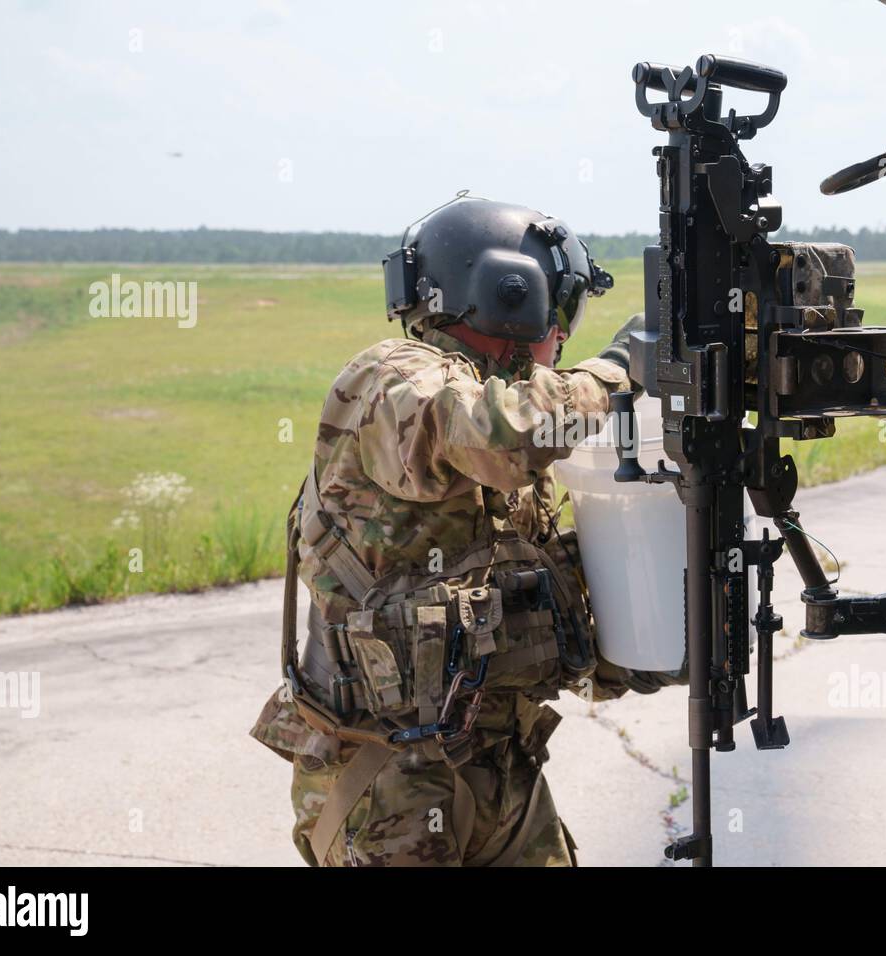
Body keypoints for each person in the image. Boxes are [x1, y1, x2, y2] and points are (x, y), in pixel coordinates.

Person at [250, 196, 666, 867]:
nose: (564, 338)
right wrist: (619, 370)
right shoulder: (392, 379)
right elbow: (503, 435)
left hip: (501, 770)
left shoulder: (504, 405)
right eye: (559, 311)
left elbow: (529, 587)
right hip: (389, 789)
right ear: (510, 299)